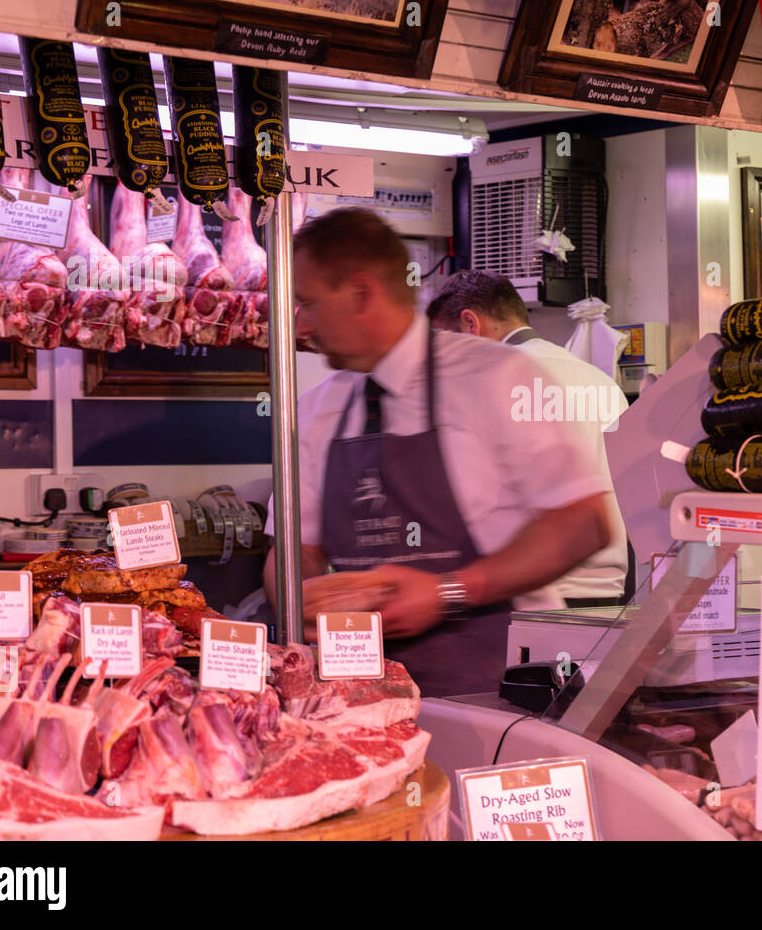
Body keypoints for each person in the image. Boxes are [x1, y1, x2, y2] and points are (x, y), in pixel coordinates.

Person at [262, 209, 614, 697]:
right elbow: (294, 550)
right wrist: (301, 600)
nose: (299, 324)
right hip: (360, 697)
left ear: (361, 293)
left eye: (307, 302)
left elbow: (583, 524)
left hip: (496, 689)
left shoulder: (500, 377)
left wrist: (446, 592)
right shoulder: (318, 408)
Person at [426, 270, 630, 606]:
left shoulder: (486, 381)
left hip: (524, 591)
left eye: (445, 341)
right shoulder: (600, 381)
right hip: (605, 591)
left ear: (470, 323)